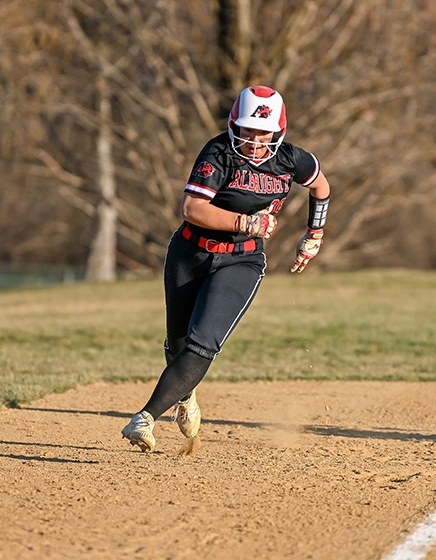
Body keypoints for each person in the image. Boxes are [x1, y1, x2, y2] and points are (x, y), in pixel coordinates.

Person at [121, 86, 331, 451]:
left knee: (204, 342)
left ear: (278, 132)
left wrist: (314, 235)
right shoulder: (218, 152)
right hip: (190, 251)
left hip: (242, 260)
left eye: (262, 133)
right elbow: (192, 208)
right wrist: (246, 223)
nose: (254, 140)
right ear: (234, 125)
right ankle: (185, 395)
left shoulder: (291, 160)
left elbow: (321, 187)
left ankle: (145, 418)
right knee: (178, 342)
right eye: (247, 130)